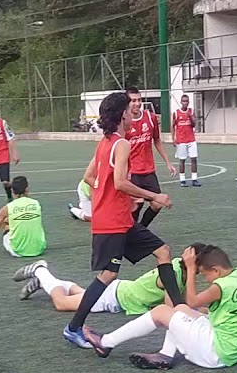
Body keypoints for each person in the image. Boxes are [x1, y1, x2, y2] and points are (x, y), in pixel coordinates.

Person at [62, 91, 182, 350]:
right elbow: (120, 182)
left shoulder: (106, 142)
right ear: (122, 114)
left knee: (163, 251)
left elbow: (88, 176)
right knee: (108, 274)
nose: (132, 114)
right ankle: (73, 328)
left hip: (120, 219)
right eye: (129, 110)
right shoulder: (121, 144)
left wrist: (106, 195)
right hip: (113, 222)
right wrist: (154, 196)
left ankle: (180, 310)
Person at [84, 244, 237, 369]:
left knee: (161, 312)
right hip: (233, 350)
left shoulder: (220, 286)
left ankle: (106, 343)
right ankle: (165, 355)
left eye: (205, 275)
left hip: (216, 352)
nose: (205, 279)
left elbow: (191, 301)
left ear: (216, 270)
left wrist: (190, 269)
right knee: (179, 311)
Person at [12, 249, 192, 312]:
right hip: (115, 297)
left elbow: (184, 302)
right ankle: (41, 271)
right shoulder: (175, 275)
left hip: (120, 291)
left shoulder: (176, 267)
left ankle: (45, 283)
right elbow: (174, 308)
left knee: (83, 294)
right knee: (62, 303)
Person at [125, 87, 176, 226]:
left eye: (139, 100)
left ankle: (141, 229)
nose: (136, 103)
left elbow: (157, 140)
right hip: (132, 173)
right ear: (127, 103)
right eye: (133, 100)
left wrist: (168, 162)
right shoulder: (125, 123)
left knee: (158, 202)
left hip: (148, 171)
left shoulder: (150, 117)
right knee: (136, 205)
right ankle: (130, 233)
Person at [0, 176, 46, 258]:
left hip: (18, 251)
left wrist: (5, 221)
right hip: (39, 249)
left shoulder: (8, 207)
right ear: (27, 189)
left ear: (12, 190)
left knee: (7, 225)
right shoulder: (36, 203)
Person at [172, 94, 201, 187]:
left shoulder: (191, 111)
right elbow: (172, 126)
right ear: (181, 102)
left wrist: (190, 117)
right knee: (182, 160)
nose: (185, 103)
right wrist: (173, 138)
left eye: (186, 101)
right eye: (183, 101)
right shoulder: (176, 113)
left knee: (193, 159)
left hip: (191, 139)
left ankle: (194, 179)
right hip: (181, 140)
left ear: (188, 102)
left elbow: (194, 124)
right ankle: (182, 180)